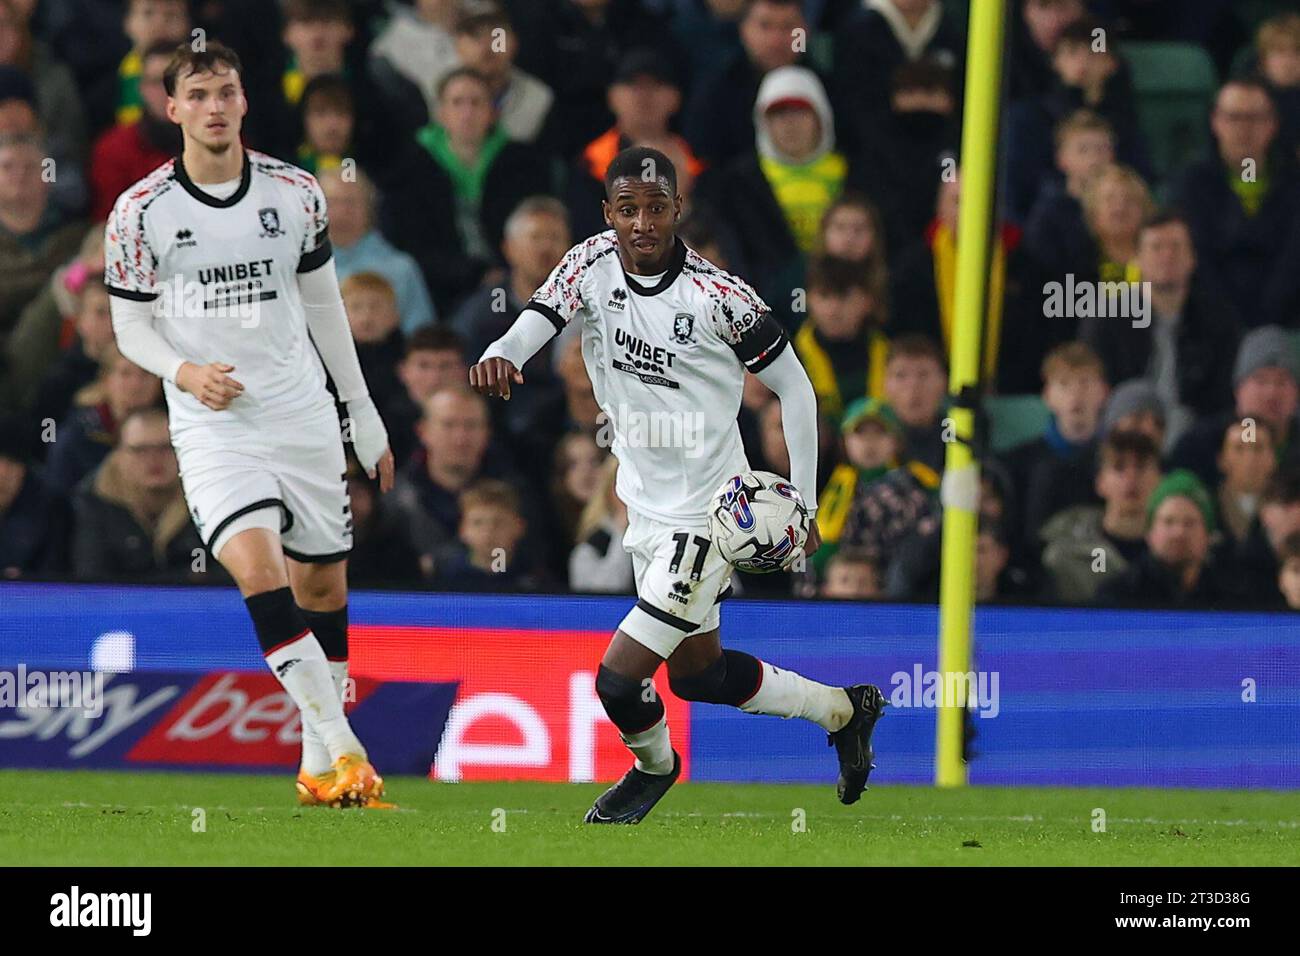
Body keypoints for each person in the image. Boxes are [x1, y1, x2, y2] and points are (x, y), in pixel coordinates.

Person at [470, 145, 885, 823]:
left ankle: (652, 768)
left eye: (655, 208)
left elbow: (796, 389)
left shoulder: (719, 296)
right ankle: (844, 711)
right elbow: (538, 320)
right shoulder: (588, 263)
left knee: (617, 678)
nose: (641, 223)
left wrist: (804, 502)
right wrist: (499, 354)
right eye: (627, 209)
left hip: (709, 519)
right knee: (700, 677)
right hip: (644, 509)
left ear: (676, 211)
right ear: (609, 212)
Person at [103, 42, 395, 809]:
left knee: (323, 582)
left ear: (244, 101)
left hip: (299, 412)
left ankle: (317, 770)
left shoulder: (296, 193)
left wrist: (360, 412)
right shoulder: (140, 212)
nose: (214, 106)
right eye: (197, 94)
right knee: (260, 574)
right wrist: (185, 372)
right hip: (214, 422)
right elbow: (129, 330)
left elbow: (326, 308)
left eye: (225, 91)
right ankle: (344, 745)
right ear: (172, 109)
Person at [70, 406, 210, 583]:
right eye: (140, 450)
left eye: (166, 448)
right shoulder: (93, 500)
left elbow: (225, 575)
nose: (154, 459)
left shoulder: (206, 496)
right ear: (119, 455)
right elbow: (93, 578)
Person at [1039, 429, 1162, 603]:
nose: (1131, 477)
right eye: (1119, 467)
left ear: (1160, 479)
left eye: (1141, 466)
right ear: (1100, 482)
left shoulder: (1177, 551)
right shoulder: (1065, 555)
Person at [1094, 469, 1231, 608]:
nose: (1179, 532)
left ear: (1208, 535)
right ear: (1149, 533)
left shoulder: (1232, 597)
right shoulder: (1117, 597)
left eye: (1189, 523)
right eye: (1168, 522)